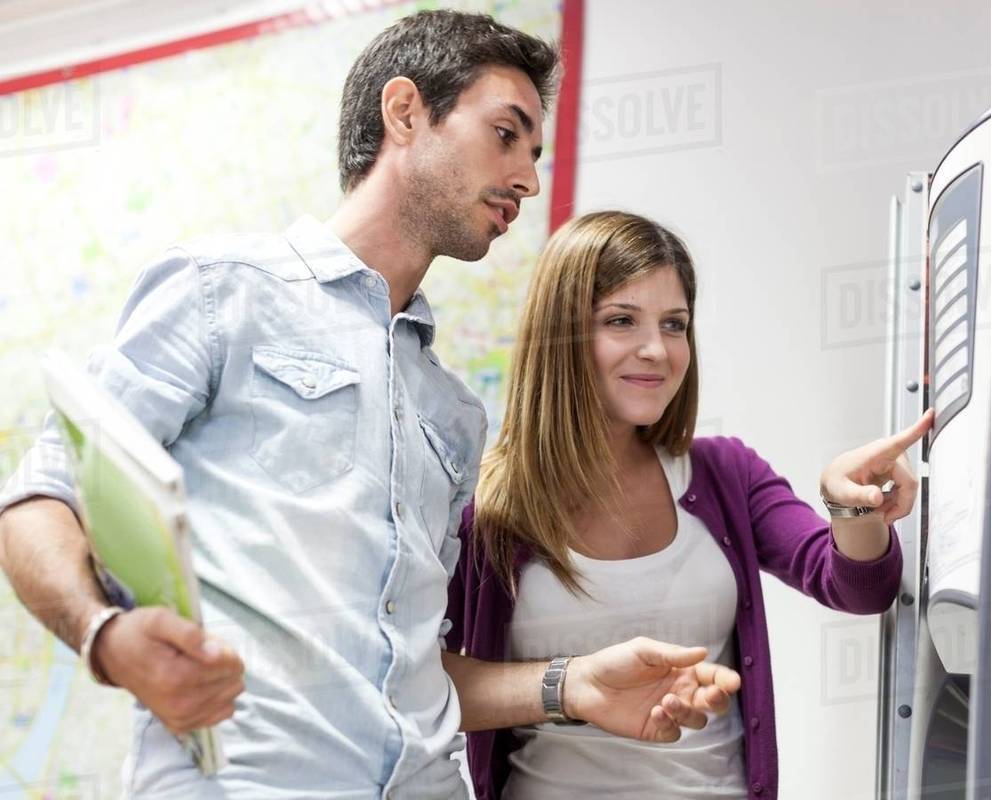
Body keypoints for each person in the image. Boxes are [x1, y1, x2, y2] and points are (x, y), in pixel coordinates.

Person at [0, 15, 737, 799]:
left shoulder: (452, 412)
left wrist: (572, 684)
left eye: (534, 154)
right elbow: (42, 499)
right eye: (505, 134)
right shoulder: (222, 294)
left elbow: (416, 670)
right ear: (405, 112)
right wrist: (104, 635)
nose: (525, 177)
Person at [446, 210, 933, 800]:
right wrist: (566, 686)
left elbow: (857, 587)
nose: (656, 349)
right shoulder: (486, 511)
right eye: (622, 321)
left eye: (674, 324)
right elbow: (420, 684)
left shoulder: (726, 473)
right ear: (562, 333)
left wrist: (848, 506)